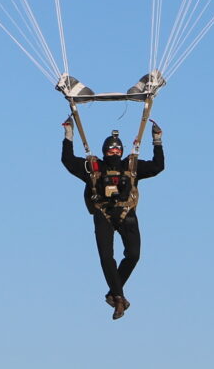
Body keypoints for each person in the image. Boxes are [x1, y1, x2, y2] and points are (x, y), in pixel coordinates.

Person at [60, 118, 165, 319]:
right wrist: (68, 135)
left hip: (126, 213)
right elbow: (68, 161)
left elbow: (157, 166)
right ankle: (118, 297)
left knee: (133, 255)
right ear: (104, 151)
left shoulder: (131, 166)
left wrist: (157, 140)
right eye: (111, 150)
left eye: (118, 150)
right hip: (104, 213)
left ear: (122, 151)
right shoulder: (93, 167)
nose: (115, 153)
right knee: (106, 257)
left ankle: (114, 294)